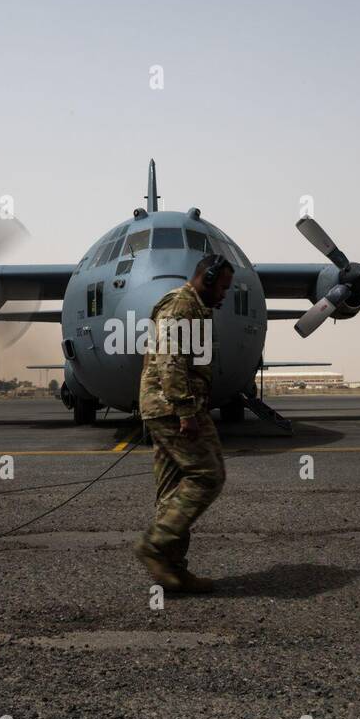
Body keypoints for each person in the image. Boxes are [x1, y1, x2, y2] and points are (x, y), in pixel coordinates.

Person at [133, 254, 234, 593]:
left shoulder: (190, 306)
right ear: (207, 278)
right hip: (172, 407)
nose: (224, 296)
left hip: (162, 406)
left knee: (171, 492)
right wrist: (185, 411)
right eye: (222, 287)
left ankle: (173, 570)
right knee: (208, 475)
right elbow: (170, 361)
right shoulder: (180, 306)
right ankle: (156, 545)